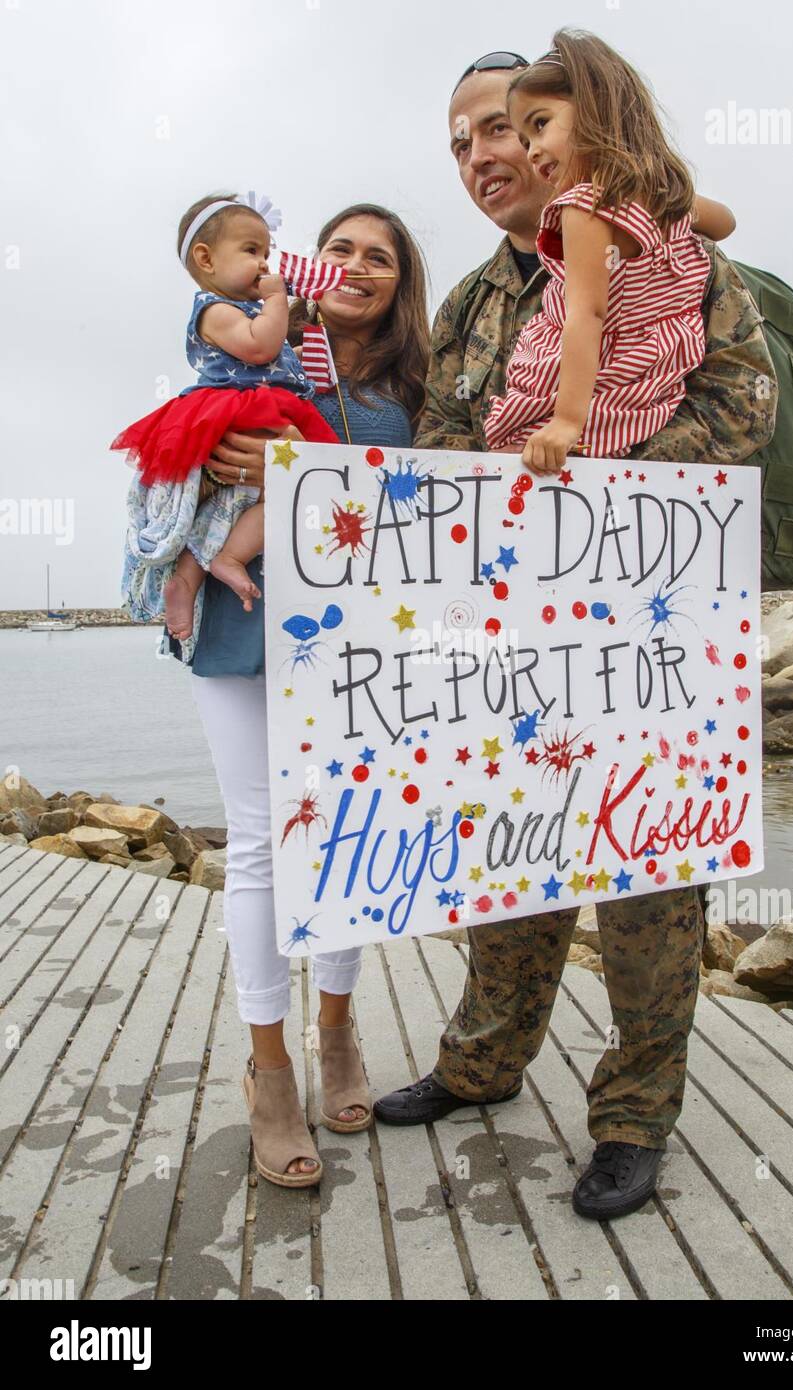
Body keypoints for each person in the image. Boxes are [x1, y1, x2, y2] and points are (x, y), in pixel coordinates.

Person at [373, 35, 778, 1223]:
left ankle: (633, 1115)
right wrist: (496, 504)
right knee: (509, 853)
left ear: (564, 130)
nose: (481, 156)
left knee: (651, 881)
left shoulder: (677, 255)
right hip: (515, 642)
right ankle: (482, 1063)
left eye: (499, 127)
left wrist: (598, 487)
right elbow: (442, 437)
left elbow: (740, 404)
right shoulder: (472, 301)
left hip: (653, 636)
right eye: (457, 144)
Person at [167, 204, 430, 1186]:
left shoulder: (409, 395)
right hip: (241, 624)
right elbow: (174, 474)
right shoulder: (249, 342)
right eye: (343, 250)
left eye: (383, 258)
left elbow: (419, 518)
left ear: (402, 286)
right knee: (256, 835)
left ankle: (339, 1030)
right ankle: (269, 1067)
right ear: (305, 264)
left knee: (345, 826)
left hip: (351, 643)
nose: (358, 267)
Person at [114, 191, 384, 645]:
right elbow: (259, 347)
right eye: (251, 251)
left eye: (266, 251)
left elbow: (270, 355)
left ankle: (213, 562)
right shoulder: (215, 309)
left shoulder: (251, 311)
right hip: (235, 408)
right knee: (261, 486)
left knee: (277, 494)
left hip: (261, 405)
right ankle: (195, 571)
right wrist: (279, 299)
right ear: (206, 259)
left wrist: (293, 357)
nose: (264, 264)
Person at [484, 33, 736, 472]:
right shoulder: (662, 202)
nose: (534, 151)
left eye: (540, 124)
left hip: (580, 394)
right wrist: (672, 202)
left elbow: (588, 315)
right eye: (525, 141)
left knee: (522, 475)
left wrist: (565, 423)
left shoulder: (584, 208)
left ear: (596, 106)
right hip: (639, 391)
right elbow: (726, 222)